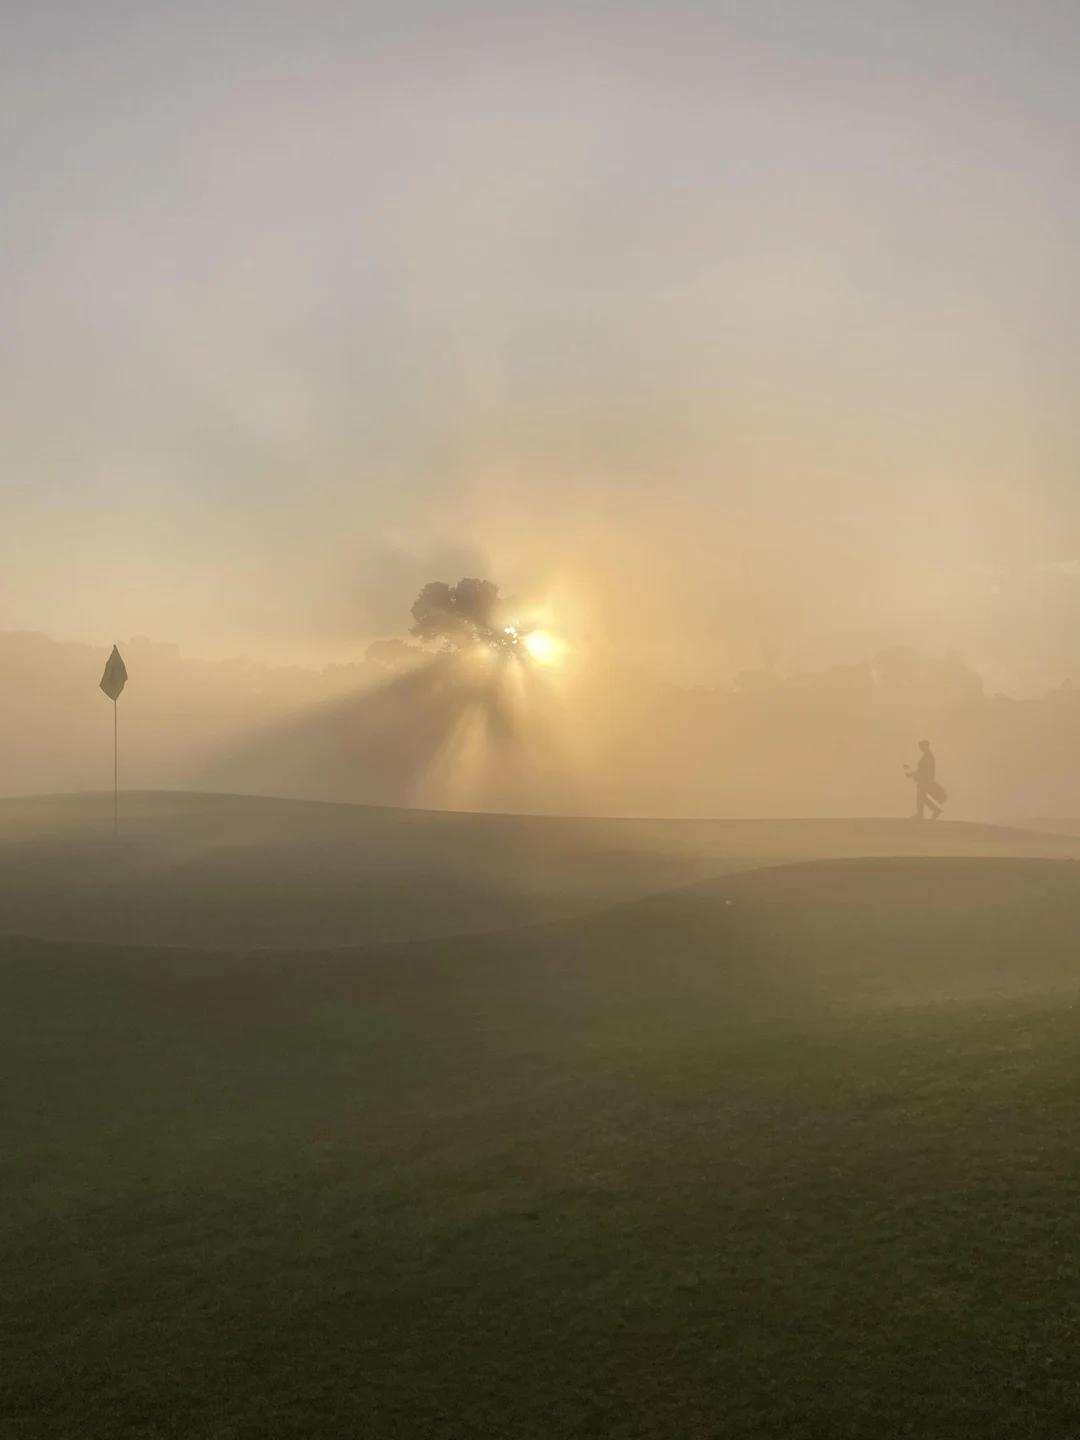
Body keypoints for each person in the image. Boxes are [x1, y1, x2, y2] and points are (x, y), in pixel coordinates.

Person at [905, 740, 945, 820]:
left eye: (921, 746)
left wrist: (915, 775)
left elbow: (926, 771)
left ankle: (926, 813)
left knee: (920, 797)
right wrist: (913, 774)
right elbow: (923, 771)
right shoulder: (927, 756)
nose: (920, 748)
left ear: (926, 746)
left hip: (925, 781)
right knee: (921, 797)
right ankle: (929, 812)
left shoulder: (928, 757)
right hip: (924, 780)